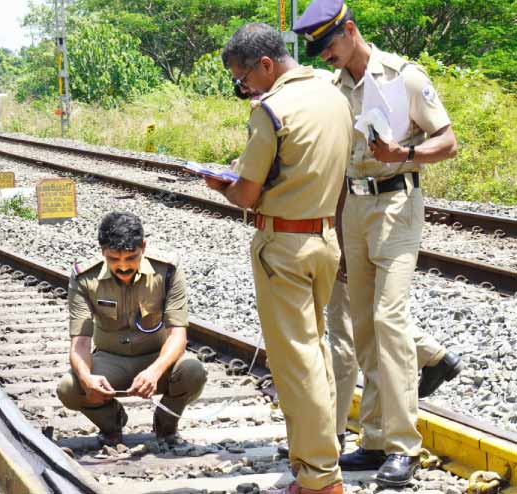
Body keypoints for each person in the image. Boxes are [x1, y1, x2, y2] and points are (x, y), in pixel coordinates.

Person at [292, 0, 460, 487]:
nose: (324, 54)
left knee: (389, 321)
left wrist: (405, 153)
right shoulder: (334, 88)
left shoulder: (403, 77)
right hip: (355, 208)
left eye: (329, 43)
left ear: (350, 30)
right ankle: (374, 440)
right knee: (363, 326)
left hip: (397, 205)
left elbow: (447, 141)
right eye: (317, 48)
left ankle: (405, 447)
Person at [205, 22, 353, 494]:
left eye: (243, 78)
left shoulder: (272, 110)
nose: (243, 88)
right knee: (318, 354)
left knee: (297, 363)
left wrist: (222, 185)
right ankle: (318, 459)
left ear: (266, 65)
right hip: (325, 240)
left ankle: (319, 478)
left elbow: (248, 194)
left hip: (283, 247)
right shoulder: (333, 93)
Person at [55, 212, 207, 446]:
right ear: (102, 251)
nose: (123, 266)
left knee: (193, 371)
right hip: (109, 360)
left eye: (131, 258)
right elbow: (81, 342)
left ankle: (166, 423)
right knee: (69, 388)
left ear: (143, 247)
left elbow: (178, 335)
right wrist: (87, 379)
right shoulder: (84, 277)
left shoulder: (167, 271)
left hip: (156, 358)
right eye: (114, 259)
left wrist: (154, 372)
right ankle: (112, 424)